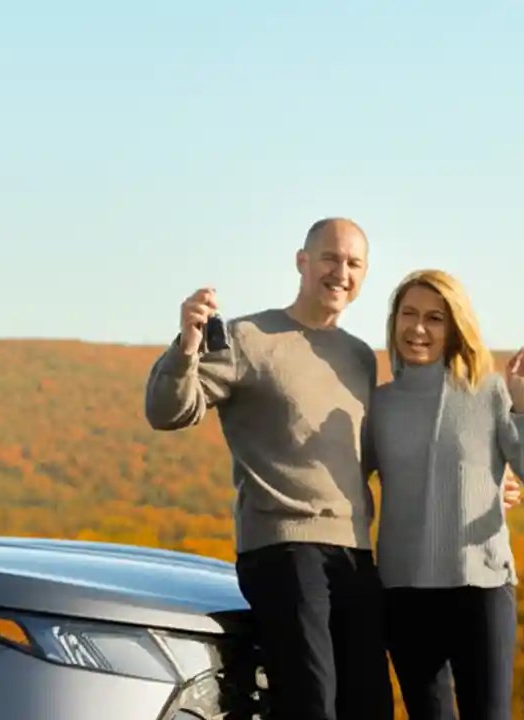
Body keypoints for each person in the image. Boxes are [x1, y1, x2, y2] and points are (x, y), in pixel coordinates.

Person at [144, 217, 394, 720]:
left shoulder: (360, 357)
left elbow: (374, 457)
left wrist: (480, 485)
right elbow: (169, 410)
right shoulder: (249, 338)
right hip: (283, 548)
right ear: (302, 262)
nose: (340, 272)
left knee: (369, 705)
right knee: (312, 704)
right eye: (329, 258)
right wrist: (187, 346)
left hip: (354, 552)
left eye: (353, 263)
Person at [365, 269, 524, 720]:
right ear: (394, 321)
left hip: (483, 589)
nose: (418, 328)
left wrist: (522, 399)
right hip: (405, 592)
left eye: (434, 318)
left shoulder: (491, 392)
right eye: (408, 314)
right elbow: (348, 481)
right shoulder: (379, 404)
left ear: (454, 327)